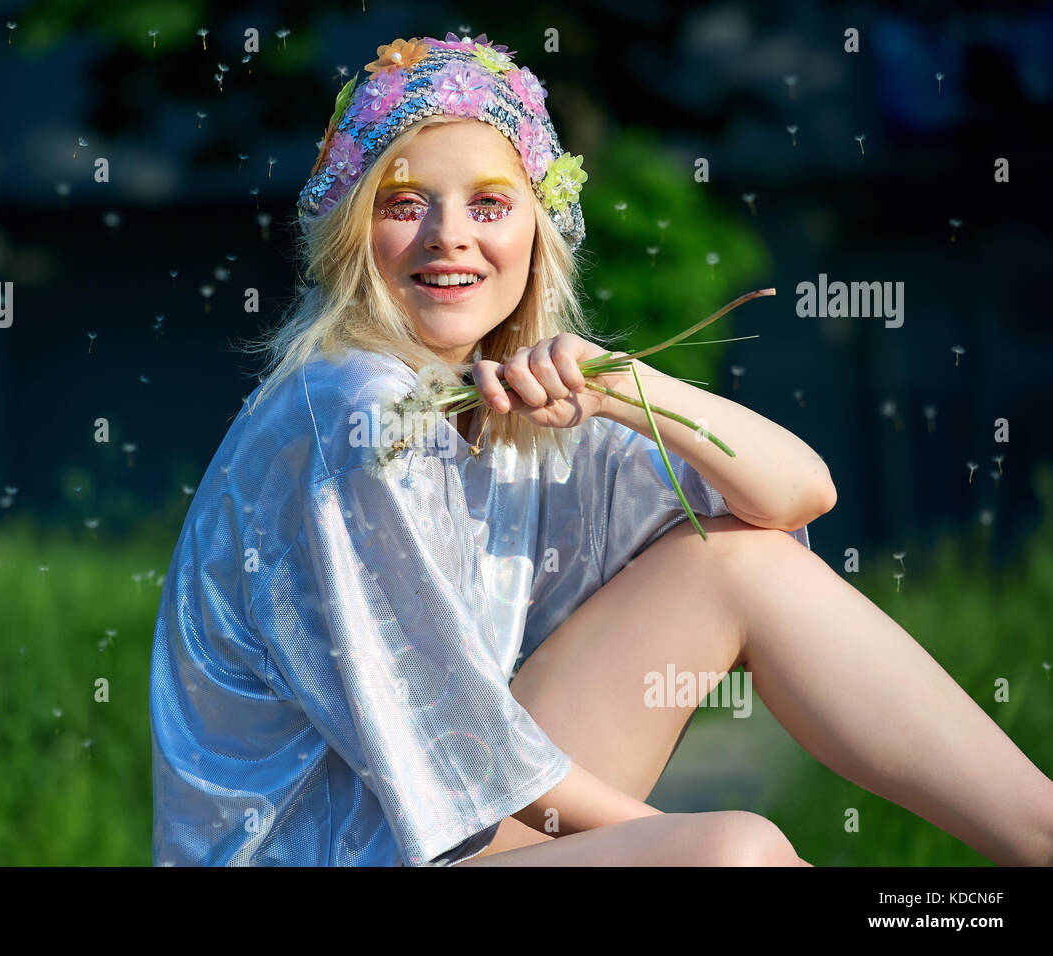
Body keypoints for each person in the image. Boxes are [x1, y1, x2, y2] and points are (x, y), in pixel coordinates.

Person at [149, 33, 1053, 867]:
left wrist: (626, 385)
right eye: (405, 203)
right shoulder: (352, 410)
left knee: (738, 562)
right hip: (333, 846)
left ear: (537, 232)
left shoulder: (513, 397)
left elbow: (796, 496)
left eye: (490, 204)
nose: (448, 235)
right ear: (354, 232)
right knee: (731, 854)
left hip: (451, 820)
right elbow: (454, 740)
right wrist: (689, 842)